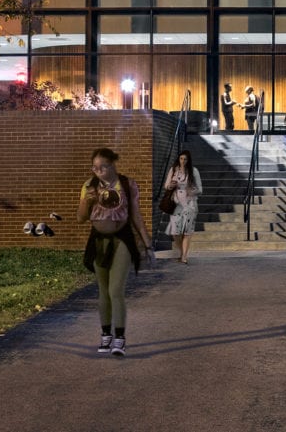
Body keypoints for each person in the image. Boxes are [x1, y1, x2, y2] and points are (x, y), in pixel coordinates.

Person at [76, 146, 153, 357]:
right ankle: (105, 334)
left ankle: (119, 338)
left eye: (103, 167)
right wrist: (87, 201)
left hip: (122, 240)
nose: (98, 171)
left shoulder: (127, 185)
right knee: (103, 291)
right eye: (95, 168)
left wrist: (147, 244)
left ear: (113, 165)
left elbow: (136, 216)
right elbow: (81, 218)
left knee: (115, 289)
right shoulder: (89, 186)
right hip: (98, 240)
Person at [162, 149, 203, 264]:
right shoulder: (173, 170)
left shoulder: (194, 171)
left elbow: (200, 189)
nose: (183, 161)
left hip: (190, 204)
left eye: (185, 159)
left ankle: (184, 256)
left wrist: (192, 191)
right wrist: (171, 185)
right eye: (181, 158)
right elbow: (166, 186)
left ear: (188, 160)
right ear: (178, 159)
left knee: (187, 231)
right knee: (175, 232)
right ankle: (181, 252)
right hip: (176, 204)